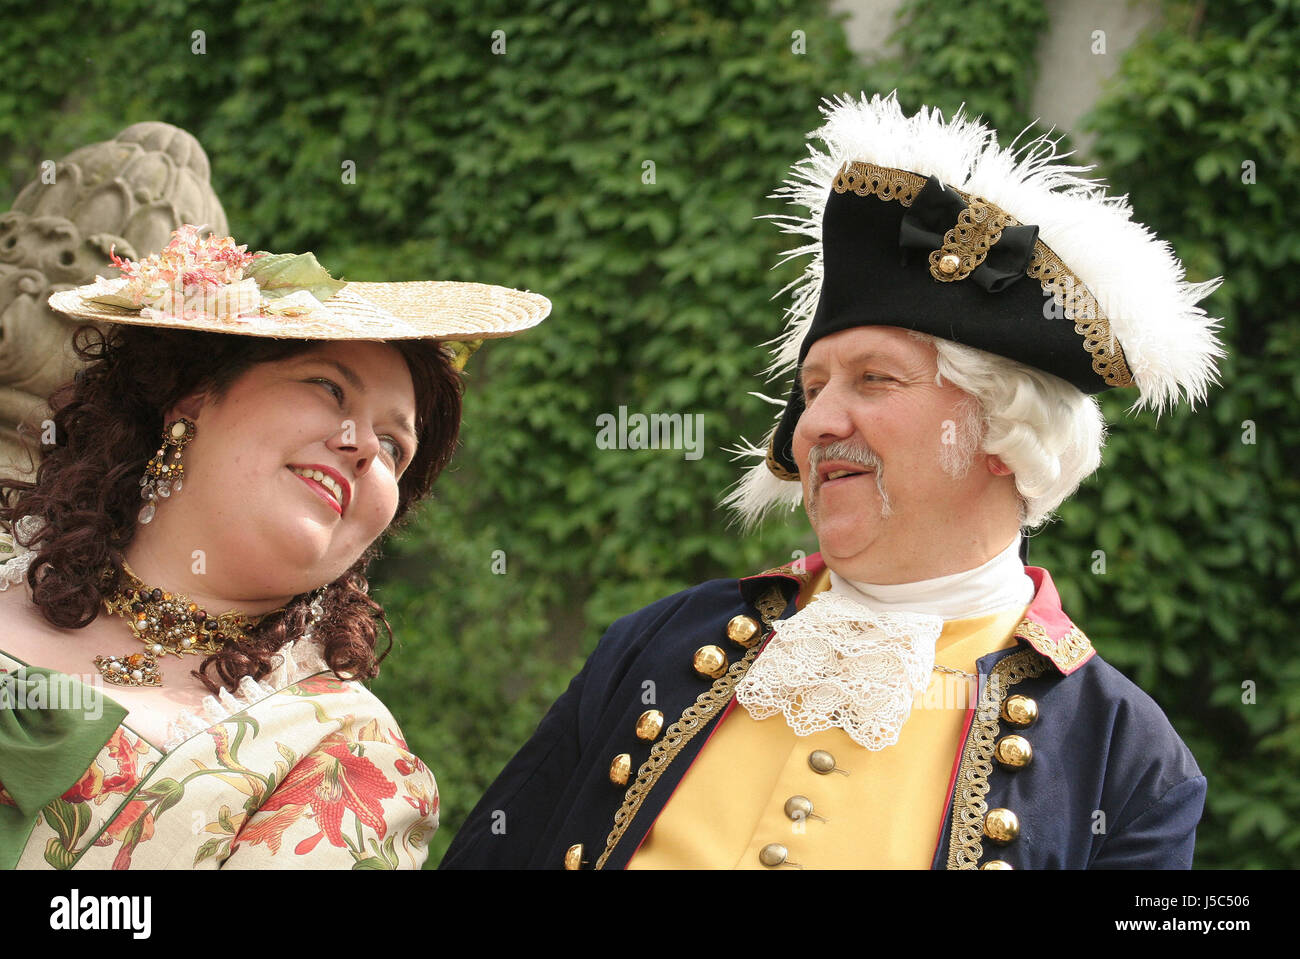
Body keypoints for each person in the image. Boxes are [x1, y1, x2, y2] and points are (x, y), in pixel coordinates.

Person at [440, 93, 1221, 870]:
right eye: (812, 390)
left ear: (1004, 431)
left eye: (874, 379)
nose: (815, 425)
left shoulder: (1129, 763)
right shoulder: (654, 644)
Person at [0, 224, 548, 868]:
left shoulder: (341, 762)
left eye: (396, 448)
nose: (365, 446)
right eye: (329, 388)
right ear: (192, 400)